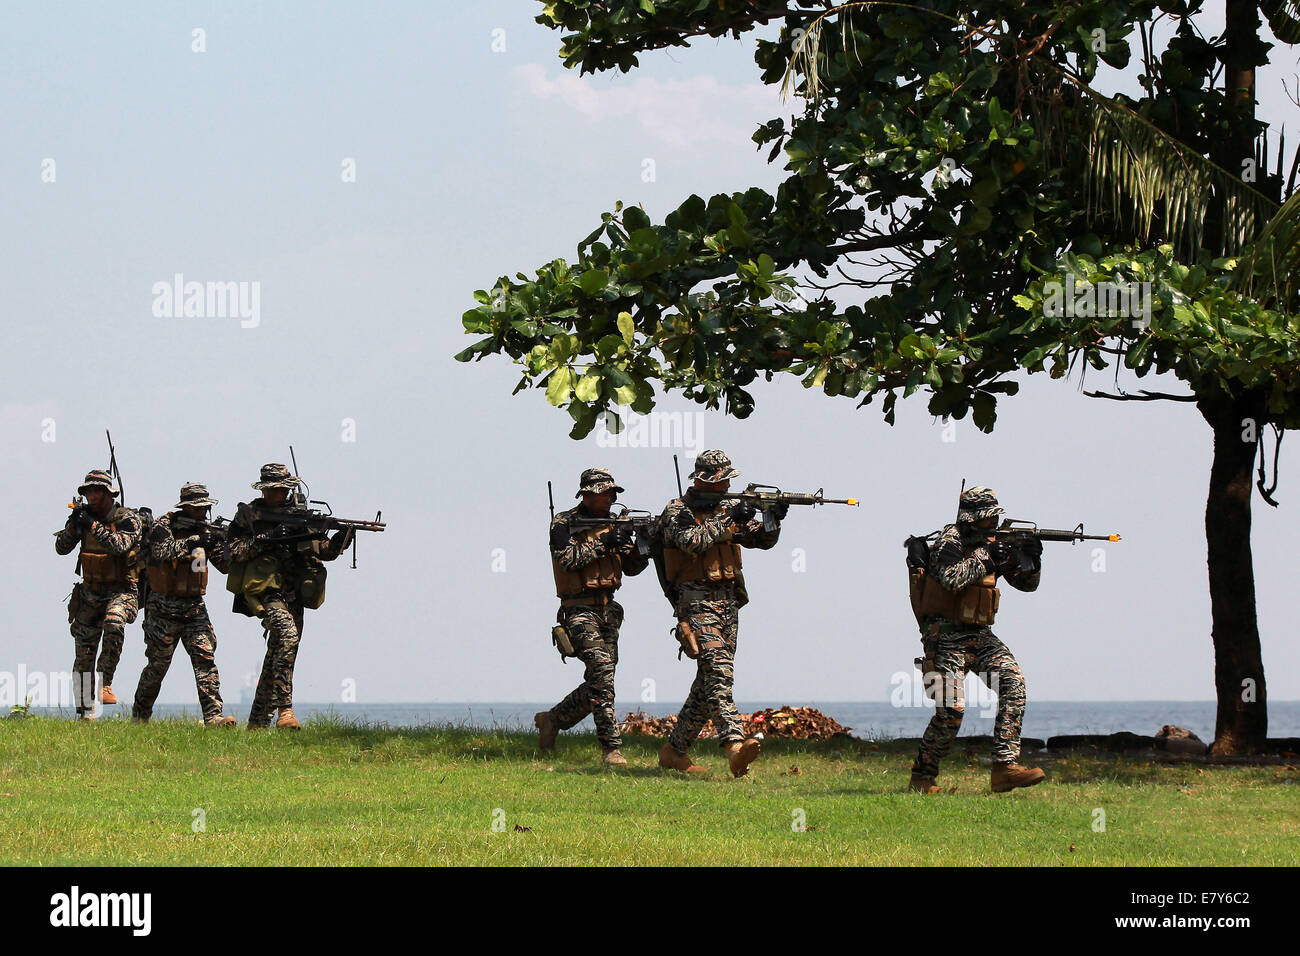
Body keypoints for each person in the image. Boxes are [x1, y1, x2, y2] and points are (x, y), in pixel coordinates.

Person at [909, 486, 1046, 793]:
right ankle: (922, 777)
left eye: (993, 522)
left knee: (1014, 685)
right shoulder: (950, 541)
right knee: (951, 711)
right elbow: (949, 578)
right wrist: (987, 556)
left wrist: (1031, 562)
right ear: (969, 521)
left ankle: (1005, 767)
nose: (992, 528)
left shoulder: (995, 544)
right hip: (945, 635)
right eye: (986, 523)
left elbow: (1026, 585)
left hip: (979, 634)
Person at [656, 450, 784, 777]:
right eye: (724, 479)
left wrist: (772, 518)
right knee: (719, 671)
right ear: (708, 481)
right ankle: (734, 747)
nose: (729, 485)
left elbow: (761, 539)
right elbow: (692, 541)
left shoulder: (726, 508)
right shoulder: (677, 511)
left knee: (708, 682)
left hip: (728, 602)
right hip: (695, 602)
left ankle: (674, 751)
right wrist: (728, 517)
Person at [225, 463, 352, 730]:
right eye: (275, 490)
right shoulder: (249, 516)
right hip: (265, 592)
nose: (280, 494)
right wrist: (267, 537)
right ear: (264, 490)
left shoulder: (300, 516)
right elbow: (231, 552)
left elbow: (322, 551)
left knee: (279, 655)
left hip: (294, 592)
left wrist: (338, 542)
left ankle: (257, 724)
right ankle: (285, 711)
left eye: (284, 489)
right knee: (288, 637)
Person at [535, 468, 648, 766]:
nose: (610, 498)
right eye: (604, 493)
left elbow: (633, 568)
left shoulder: (615, 523)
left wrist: (643, 545)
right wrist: (606, 541)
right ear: (587, 494)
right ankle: (611, 748)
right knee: (601, 670)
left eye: (612, 493)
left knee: (602, 679)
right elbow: (567, 560)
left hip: (609, 610)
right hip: (578, 609)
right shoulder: (563, 523)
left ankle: (553, 719)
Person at [131, 483, 236, 726]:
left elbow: (225, 565)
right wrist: (194, 540)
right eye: (196, 508)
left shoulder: (207, 531)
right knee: (157, 666)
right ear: (185, 507)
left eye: (204, 508)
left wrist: (228, 546)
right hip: (162, 608)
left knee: (205, 659)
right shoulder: (163, 526)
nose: (201, 512)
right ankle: (139, 718)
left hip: (194, 607)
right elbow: (161, 551)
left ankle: (213, 716)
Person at [54, 469, 144, 718]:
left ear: (108, 493)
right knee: (83, 655)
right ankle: (84, 712)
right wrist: (74, 526)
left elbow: (119, 546)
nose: (92, 495)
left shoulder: (128, 519)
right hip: (90, 593)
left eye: (97, 491)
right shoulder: (83, 518)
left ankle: (105, 683)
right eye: (89, 491)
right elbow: (61, 548)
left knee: (115, 621)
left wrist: (92, 525)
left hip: (122, 591)